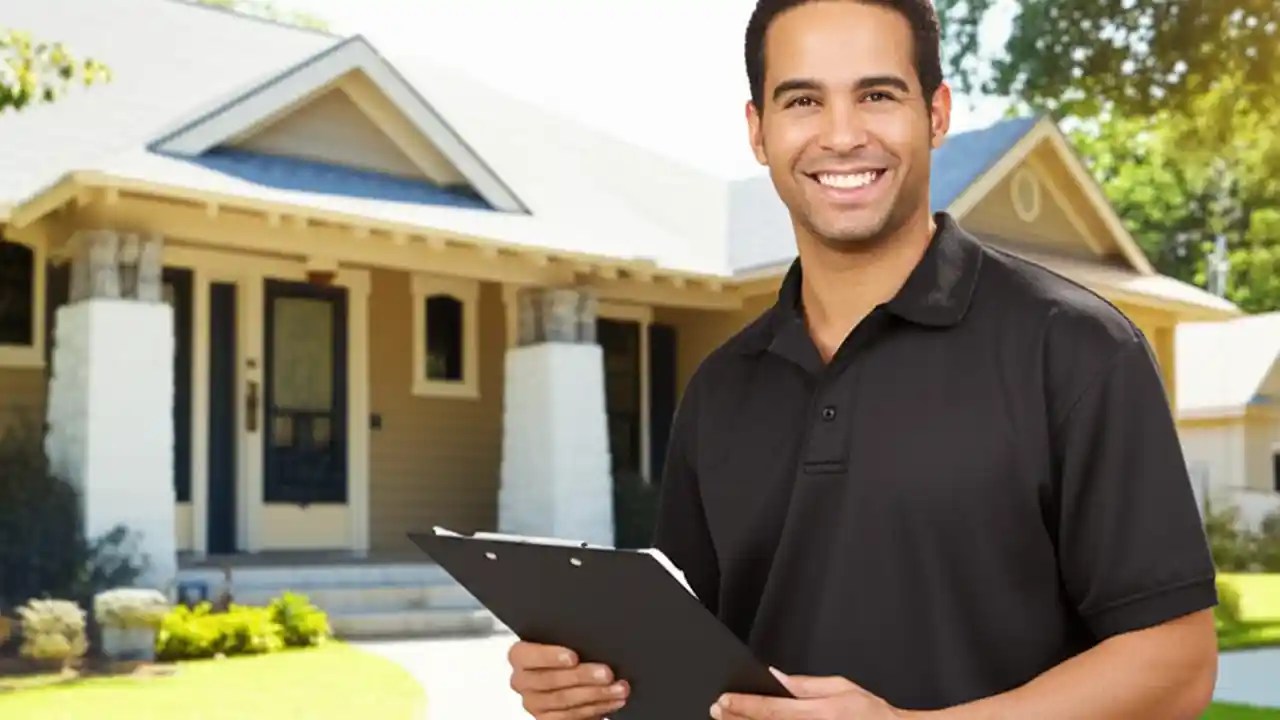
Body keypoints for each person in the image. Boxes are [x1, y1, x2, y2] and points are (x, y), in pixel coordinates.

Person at [506, 0, 1221, 718]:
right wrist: (592, 683)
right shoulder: (720, 388)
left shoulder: (1077, 349)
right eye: (803, 100)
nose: (842, 135)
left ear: (937, 114)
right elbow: (689, 668)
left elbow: (1174, 666)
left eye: (877, 95)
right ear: (759, 131)